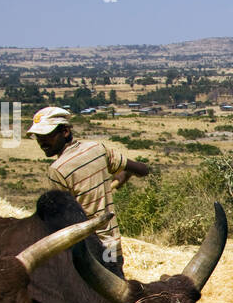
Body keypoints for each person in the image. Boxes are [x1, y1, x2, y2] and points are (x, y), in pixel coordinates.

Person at [27, 106, 150, 270]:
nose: (41, 141)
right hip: (112, 245)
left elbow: (60, 219)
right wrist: (124, 174)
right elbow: (142, 170)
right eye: (38, 136)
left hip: (89, 252)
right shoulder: (97, 149)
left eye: (47, 135)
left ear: (65, 131)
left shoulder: (57, 170)